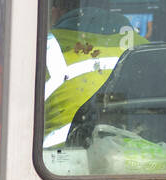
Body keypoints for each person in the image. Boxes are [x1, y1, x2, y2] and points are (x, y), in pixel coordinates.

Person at [43, 0, 145, 147]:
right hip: (138, 160)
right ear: (109, 6)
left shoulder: (41, 48)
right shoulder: (144, 47)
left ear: (55, 10)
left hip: (61, 161)